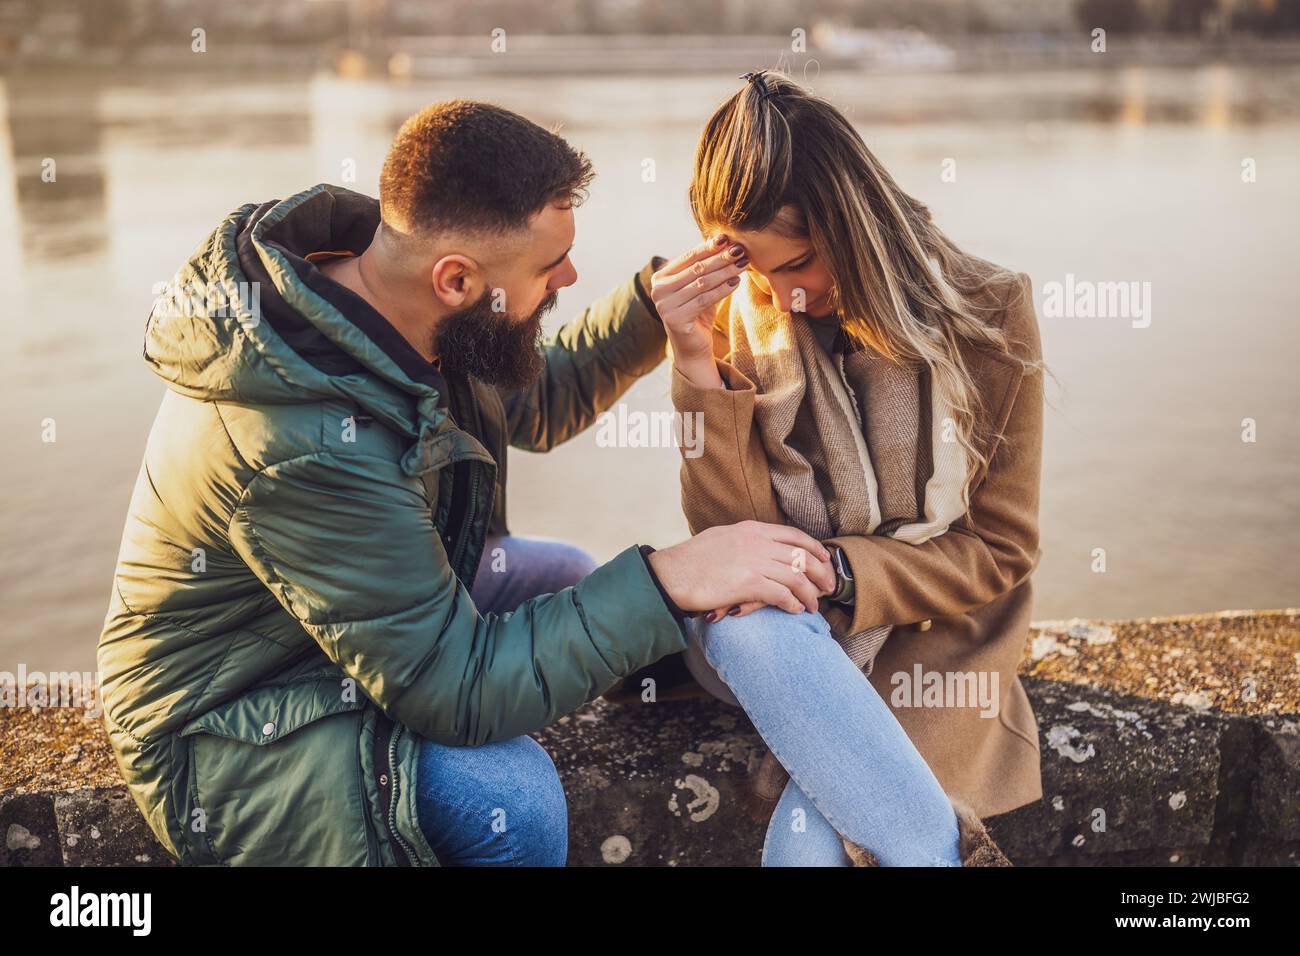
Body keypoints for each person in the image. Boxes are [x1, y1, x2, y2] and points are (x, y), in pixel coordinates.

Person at [96, 99, 835, 867]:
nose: (570, 277)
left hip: (335, 633)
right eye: (549, 267)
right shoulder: (308, 442)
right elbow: (453, 691)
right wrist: (667, 579)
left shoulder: (396, 305)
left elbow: (541, 401)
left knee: (561, 574)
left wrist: (656, 306)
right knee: (511, 796)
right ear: (456, 279)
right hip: (231, 723)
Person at [638, 71, 1047, 866]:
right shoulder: (733, 316)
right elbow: (731, 541)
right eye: (755, 271)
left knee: (808, 844)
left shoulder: (988, 311)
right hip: (782, 641)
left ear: (853, 224)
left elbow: (1002, 548)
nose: (782, 295)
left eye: (799, 264)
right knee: (751, 625)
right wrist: (692, 363)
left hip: (932, 638)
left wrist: (845, 571)